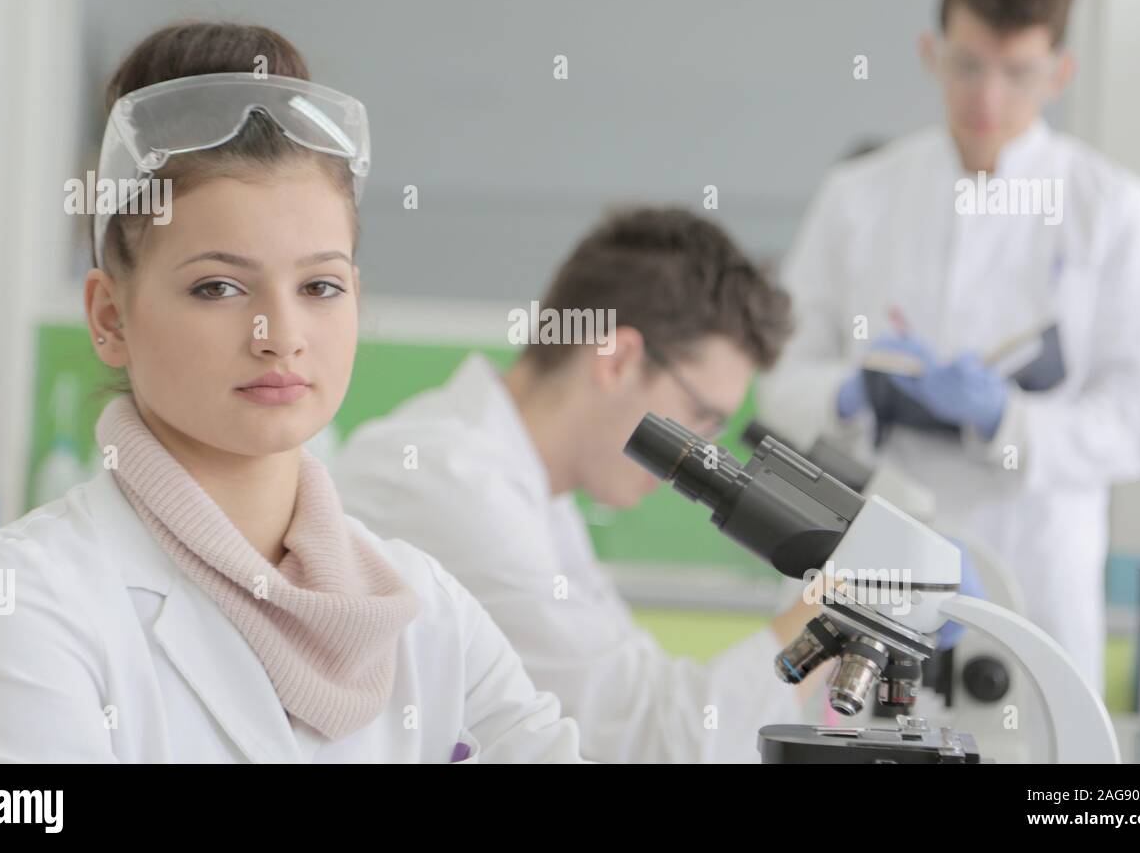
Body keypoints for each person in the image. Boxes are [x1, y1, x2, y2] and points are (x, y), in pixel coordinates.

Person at [0, 21, 584, 763]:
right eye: (219, 286)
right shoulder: (20, 604)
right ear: (110, 317)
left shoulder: (427, 613)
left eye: (320, 286)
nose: (280, 334)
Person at [757, 0, 1140, 692]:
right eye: (968, 65)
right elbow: (781, 384)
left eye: (1019, 73)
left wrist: (1006, 422)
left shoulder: (1110, 207)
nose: (989, 99)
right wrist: (849, 393)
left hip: (1035, 560)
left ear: (1060, 72)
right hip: (871, 546)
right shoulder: (859, 195)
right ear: (931, 51)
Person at [332, 206, 826, 763]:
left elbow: (642, 693)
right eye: (700, 415)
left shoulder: (536, 487)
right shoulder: (452, 482)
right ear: (617, 360)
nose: (705, 452)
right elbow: (653, 745)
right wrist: (838, 605)